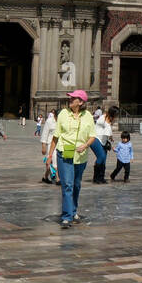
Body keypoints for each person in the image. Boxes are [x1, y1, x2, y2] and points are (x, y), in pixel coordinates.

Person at [51, 90, 96, 229]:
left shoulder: (88, 116)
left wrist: (86, 145)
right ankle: (66, 216)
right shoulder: (63, 114)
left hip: (81, 155)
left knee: (76, 185)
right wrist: (49, 155)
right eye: (70, 98)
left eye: (73, 98)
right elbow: (56, 135)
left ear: (81, 102)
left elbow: (92, 136)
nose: (70, 99)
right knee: (67, 185)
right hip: (65, 152)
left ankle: (73, 210)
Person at [90, 105, 115, 184]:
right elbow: (106, 127)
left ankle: (101, 177)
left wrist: (110, 137)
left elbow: (108, 131)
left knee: (103, 160)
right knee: (101, 156)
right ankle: (96, 177)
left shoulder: (109, 119)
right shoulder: (103, 118)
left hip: (103, 141)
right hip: (95, 139)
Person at [39, 109, 58, 183]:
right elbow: (45, 133)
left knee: (51, 162)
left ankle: (45, 177)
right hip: (51, 143)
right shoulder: (49, 121)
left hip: (60, 144)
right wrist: (43, 146)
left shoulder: (63, 121)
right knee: (54, 160)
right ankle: (58, 179)